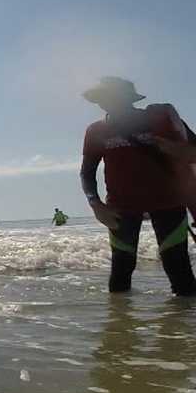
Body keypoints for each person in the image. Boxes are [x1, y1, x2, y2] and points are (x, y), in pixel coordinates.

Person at [79, 77, 196, 295]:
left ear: (128, 99)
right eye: (102, 99)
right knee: (121, 272)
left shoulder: (161, 118)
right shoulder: (96, 131)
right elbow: (87, 173)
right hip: (121, 208)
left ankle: (183, 327)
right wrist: (96, 204)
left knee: (179, 270)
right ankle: (121, 326)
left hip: (169, 203)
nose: (105, 103)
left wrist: (180, 151)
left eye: (110, 97)